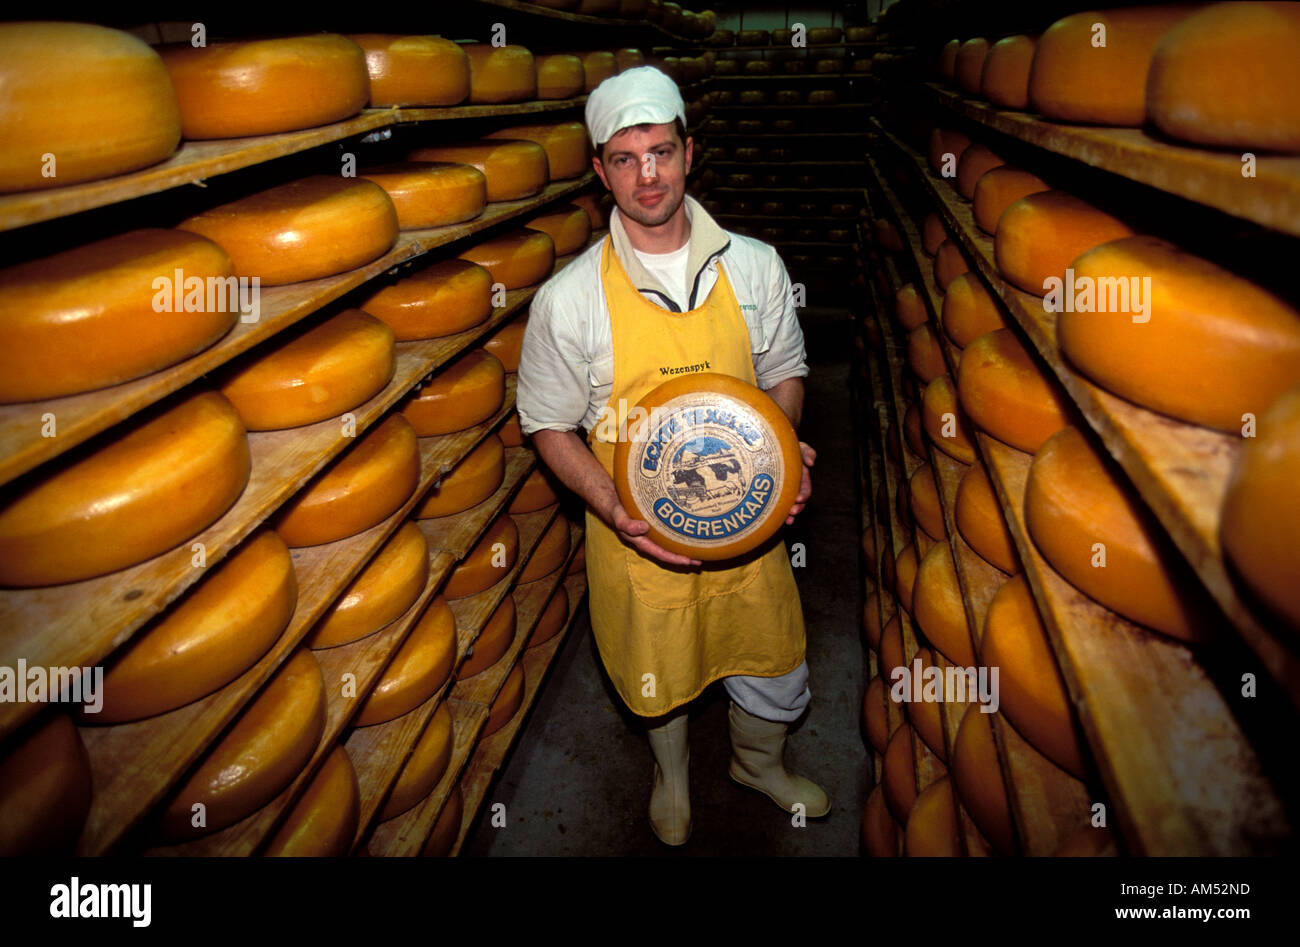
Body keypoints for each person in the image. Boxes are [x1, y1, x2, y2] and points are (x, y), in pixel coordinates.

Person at [516, 66, 829, 846]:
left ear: (691, 152)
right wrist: (611, 507)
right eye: (624, 158)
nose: (647, 174)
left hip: (751, 517)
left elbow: (785, 370)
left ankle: (758, 763)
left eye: (660, 151)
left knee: (768, 656)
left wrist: (785, 452)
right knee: (659, 669)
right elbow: (548, 424)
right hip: (638, 529)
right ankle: (674, 773)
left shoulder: (755, 266)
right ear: (599, 171)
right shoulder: (570, 297)